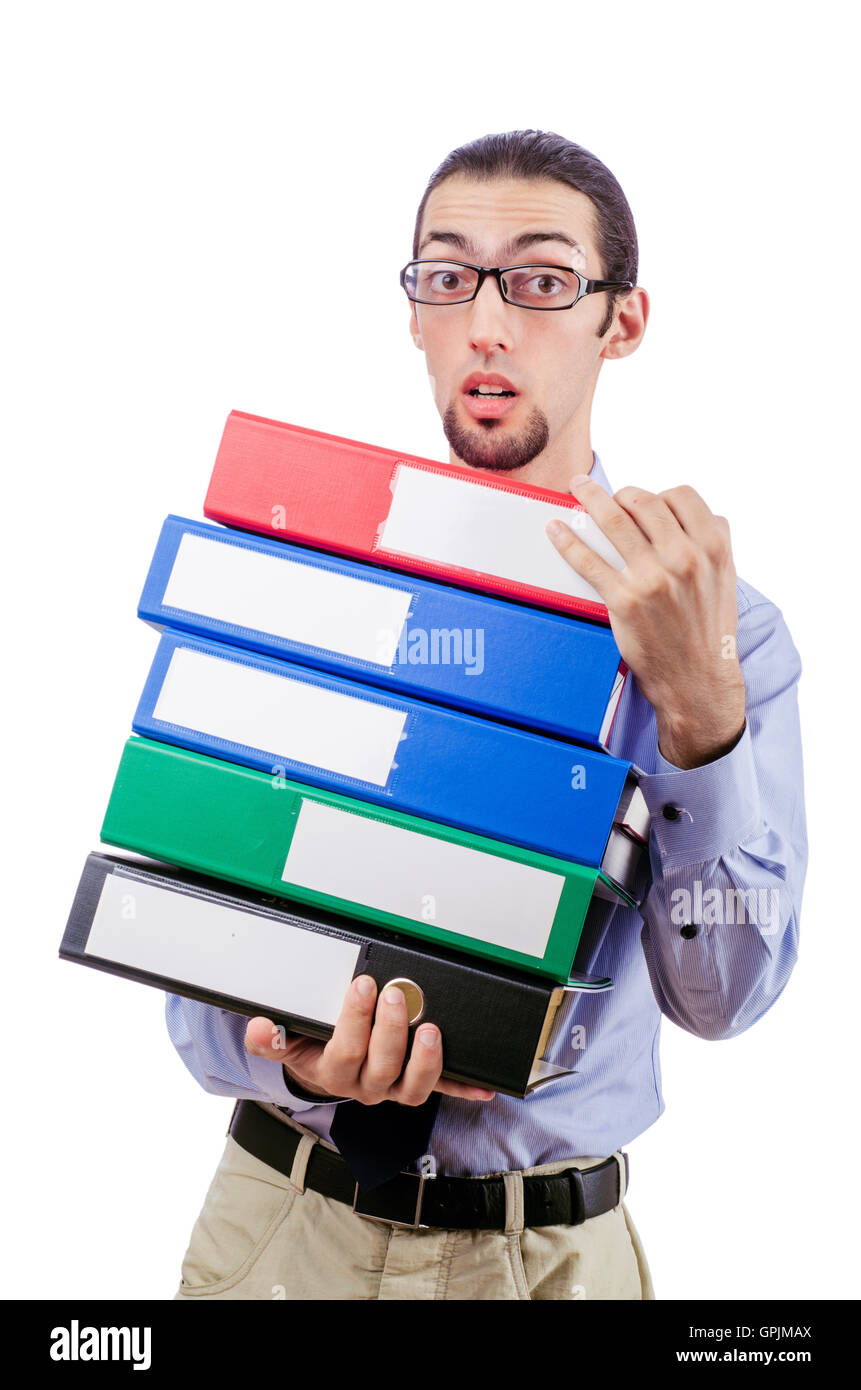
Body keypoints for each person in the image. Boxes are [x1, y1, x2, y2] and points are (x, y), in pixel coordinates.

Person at [168, 129, 807, 1301]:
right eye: (448, 276)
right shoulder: (311, 576)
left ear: (623, 319)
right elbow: (193, 996)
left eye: (545, 281)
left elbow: (726, 995)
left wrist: (699, 716)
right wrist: (292, 1044)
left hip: (552, 1261)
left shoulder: (729, 630)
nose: (490, 323)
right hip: (280, 1230)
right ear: (414, 313)